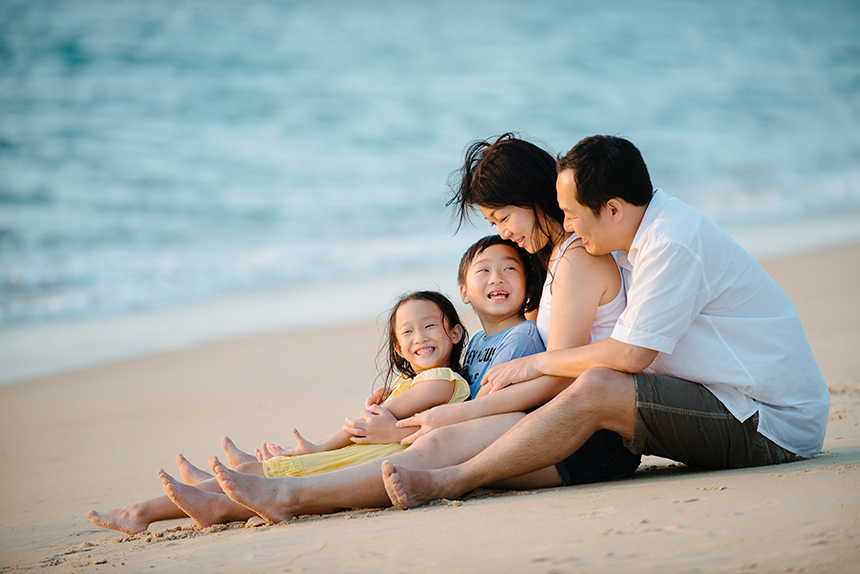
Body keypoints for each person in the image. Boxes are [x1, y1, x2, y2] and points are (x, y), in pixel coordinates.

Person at [379, 134, 830, 510]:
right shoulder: (630, 242)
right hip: (727, 400)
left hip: (768, 424)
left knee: (598, 385)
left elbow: (631, 354)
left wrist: (536, 364)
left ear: (613, 209)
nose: (568, 225)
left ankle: (454, 480)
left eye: (573, 214)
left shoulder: (671, 244)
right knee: (591, 383)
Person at [86, 290, 471, 534]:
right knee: (254, 473)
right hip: (362, 457)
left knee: (258, 473)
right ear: (398, 348)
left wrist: (318, 447)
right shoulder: (416, 383)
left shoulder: (442, 380)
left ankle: (143, 512)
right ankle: (191, 495)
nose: (420, 337)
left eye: (429, 326)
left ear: (454, 333)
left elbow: (368, 423)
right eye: (408, 332)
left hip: (359, 460)